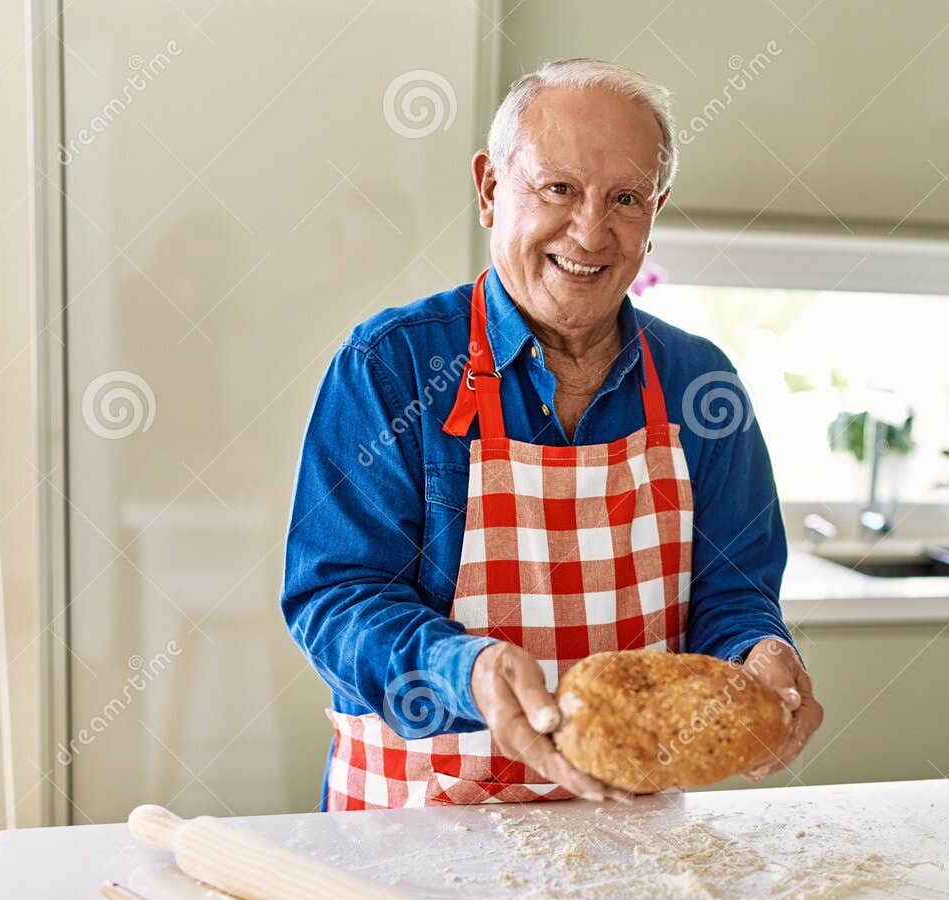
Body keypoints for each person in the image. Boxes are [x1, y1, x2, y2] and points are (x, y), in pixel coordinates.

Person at [282, 59, 823, 810]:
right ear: (489, 188)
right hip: (418, 821)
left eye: (626, 198)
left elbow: (734, 593)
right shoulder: (391, 366)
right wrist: (461, 669)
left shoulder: (702, 385)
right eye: (558, 188)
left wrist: (760, 653)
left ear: (656, 211)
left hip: (629, 835)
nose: (591, 231)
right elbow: (335, 598)